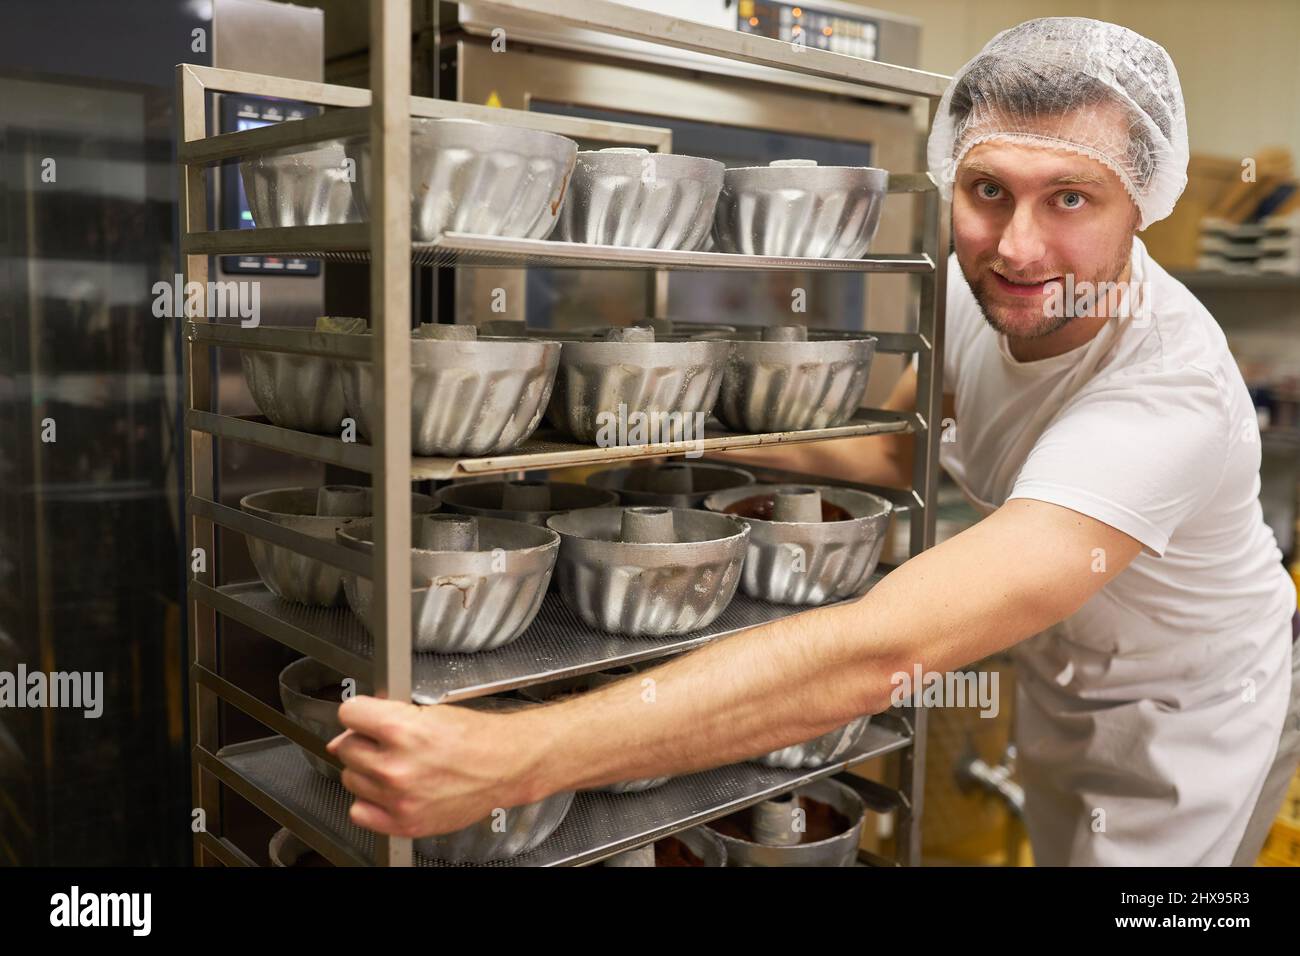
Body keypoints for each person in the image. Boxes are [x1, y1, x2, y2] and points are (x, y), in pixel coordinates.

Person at [327, 18, 1299, 866]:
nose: (1015, 246)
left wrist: (513, 757)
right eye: (988, 189)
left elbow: (883, 654)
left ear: (1144, 206)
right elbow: (888, 453)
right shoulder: (981, 295)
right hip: (1070, 671)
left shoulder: (1166, 400)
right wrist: (647, 426)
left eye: (1071, 199)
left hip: (1190, 714)